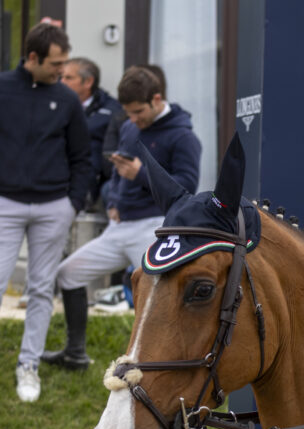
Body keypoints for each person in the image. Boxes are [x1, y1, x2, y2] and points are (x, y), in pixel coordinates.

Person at [42, 65, 201, 369]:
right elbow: (117, 176)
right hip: (118, 226)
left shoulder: (183, 136)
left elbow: (187, 190)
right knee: (67, 275)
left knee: (166, 294)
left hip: (155, 227)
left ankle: (167, 362)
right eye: (128, 113)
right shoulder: (130, 128)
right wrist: (113, 198)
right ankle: (75, 354)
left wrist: (141, 174)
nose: (133, 119)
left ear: (157, 99)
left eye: (138, 111)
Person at [0, 22, 93, 402]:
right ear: (33, 58)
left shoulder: (67, 100)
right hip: (5, 204)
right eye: (57, 64)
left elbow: (82, 157)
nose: (62, 70)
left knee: (40, 289)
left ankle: (29, 365)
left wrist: (72, 204)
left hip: (54, 207)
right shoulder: (2, 89)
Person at [61, 57, 121, 203]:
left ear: (88, 82)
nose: (61, 82)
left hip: (92, 177)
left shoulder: (113, 110)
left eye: (68, 78)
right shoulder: (54, 104)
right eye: (60, 77)